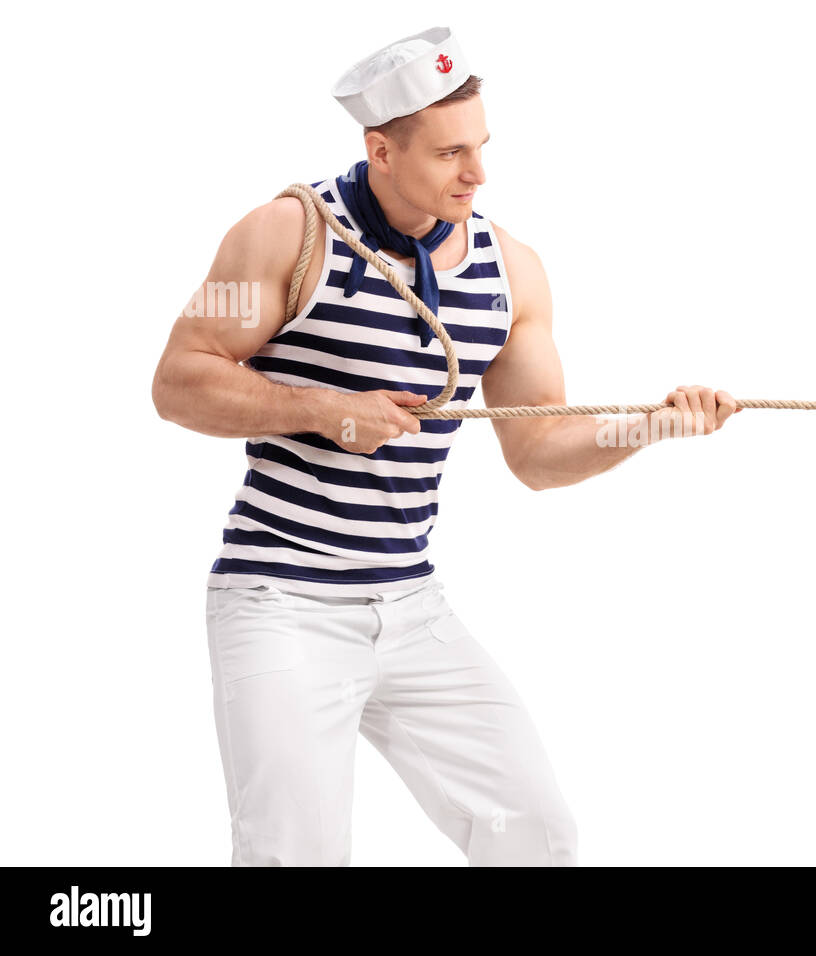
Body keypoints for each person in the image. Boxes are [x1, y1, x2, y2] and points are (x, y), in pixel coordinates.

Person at [150, 26, 741, 866]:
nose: (478, 174)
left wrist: (651, 426)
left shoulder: (511, 270)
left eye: (483, 147)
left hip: (412, 608)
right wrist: (322, 410)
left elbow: (539, 453)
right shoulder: (284, 233)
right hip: (283, 603)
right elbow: (178, 380)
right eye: (450, 153)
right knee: (293, 852)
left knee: (534, 828)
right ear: (381, 150)